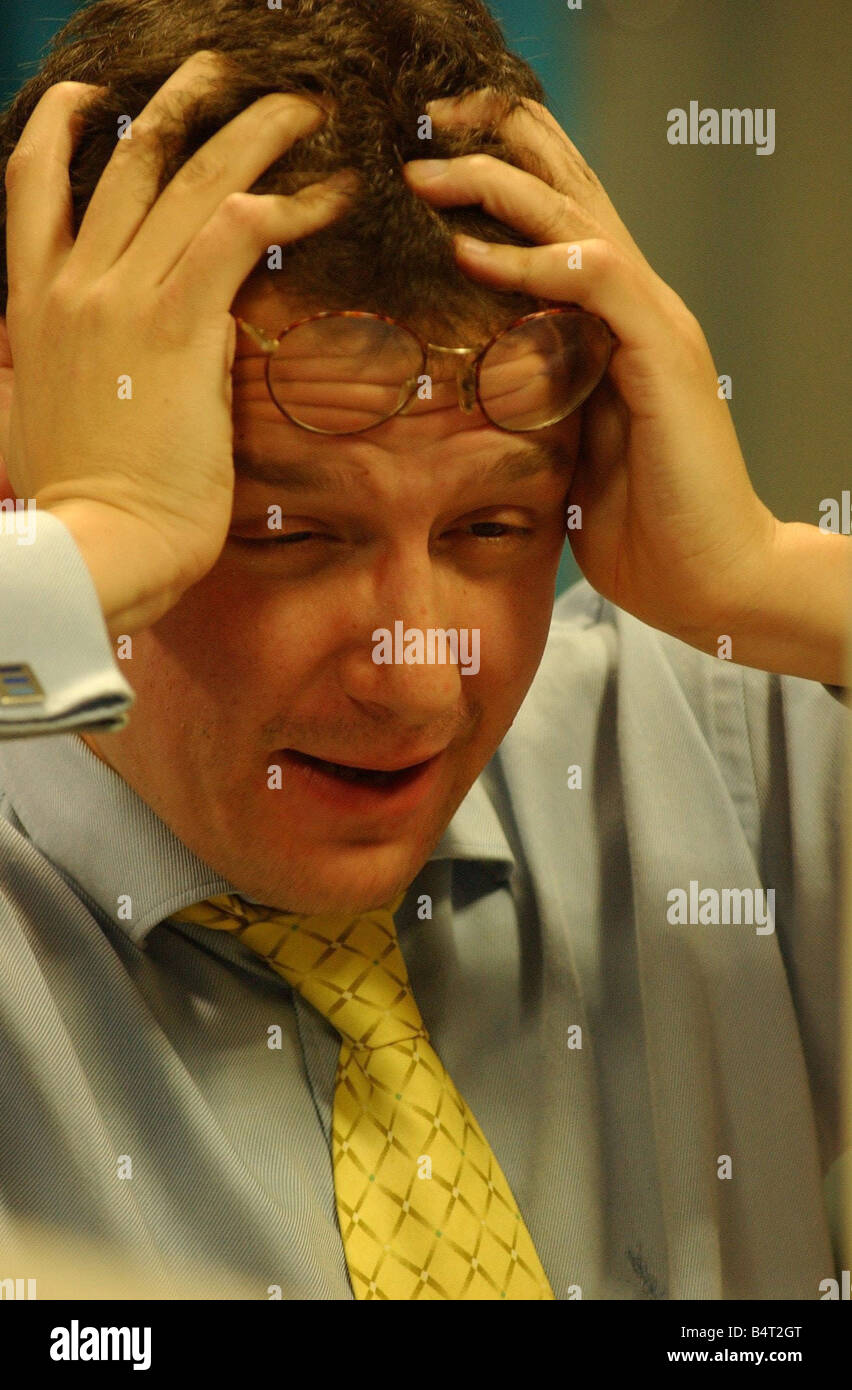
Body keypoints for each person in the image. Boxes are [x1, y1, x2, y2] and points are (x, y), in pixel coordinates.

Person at [0, 0, 848, 1301]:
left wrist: (773, 578)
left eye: (494, 525)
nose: (417, 678)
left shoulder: (731, 751)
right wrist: (88, 545)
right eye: (287, 534)